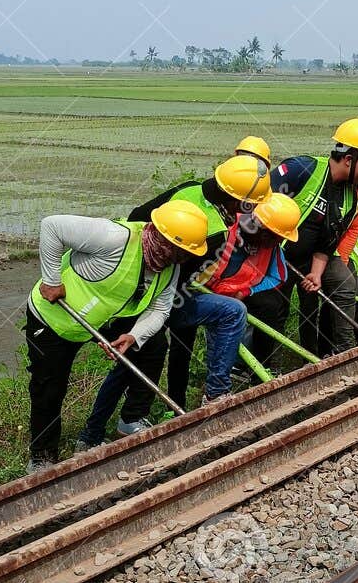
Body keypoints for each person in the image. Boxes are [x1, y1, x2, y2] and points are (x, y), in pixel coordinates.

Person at [86, 154, 270, 433]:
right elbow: (180, 280)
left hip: (135, 286)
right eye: (251, 203)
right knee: (229, 313)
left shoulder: (189, 189)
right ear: (239, 201)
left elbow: (137, 216)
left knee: (137, 356)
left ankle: (96, 431)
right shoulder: (216, 231)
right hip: (160, 297)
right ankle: (215, 395)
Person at [25, 201, 208, 468]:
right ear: (158, 234)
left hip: (103, 317)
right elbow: (51, 226)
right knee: (49, 388)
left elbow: (160, 309)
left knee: (153, 345)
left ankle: (131, 419)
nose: (176, 259)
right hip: (56, 317)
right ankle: (42, 457)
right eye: (175, 251)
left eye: (183, 255)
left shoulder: (169, 268)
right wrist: (52, 280)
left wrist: (134, 336)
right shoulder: (114, 238)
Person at [271, 118, 358, 356]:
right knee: (274, 307)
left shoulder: (351, 193)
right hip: (277, 255)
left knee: (345, 282)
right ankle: (263, 365)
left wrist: (316, 272)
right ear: (348, 159)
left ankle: (343, 351)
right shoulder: (302, 169)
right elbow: (261, 204)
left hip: (314, 257)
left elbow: (329, 241)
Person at [203, 191, 302, 369]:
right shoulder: (225, 232)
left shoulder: (271, 246)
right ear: (263, 230)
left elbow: (278, 276)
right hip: (206, 293)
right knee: (230, 312)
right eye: (276, 237)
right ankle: (220, 371)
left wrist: (245, 292)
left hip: (240, 294)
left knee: (271, 304)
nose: (278, 242)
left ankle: (260, 368)